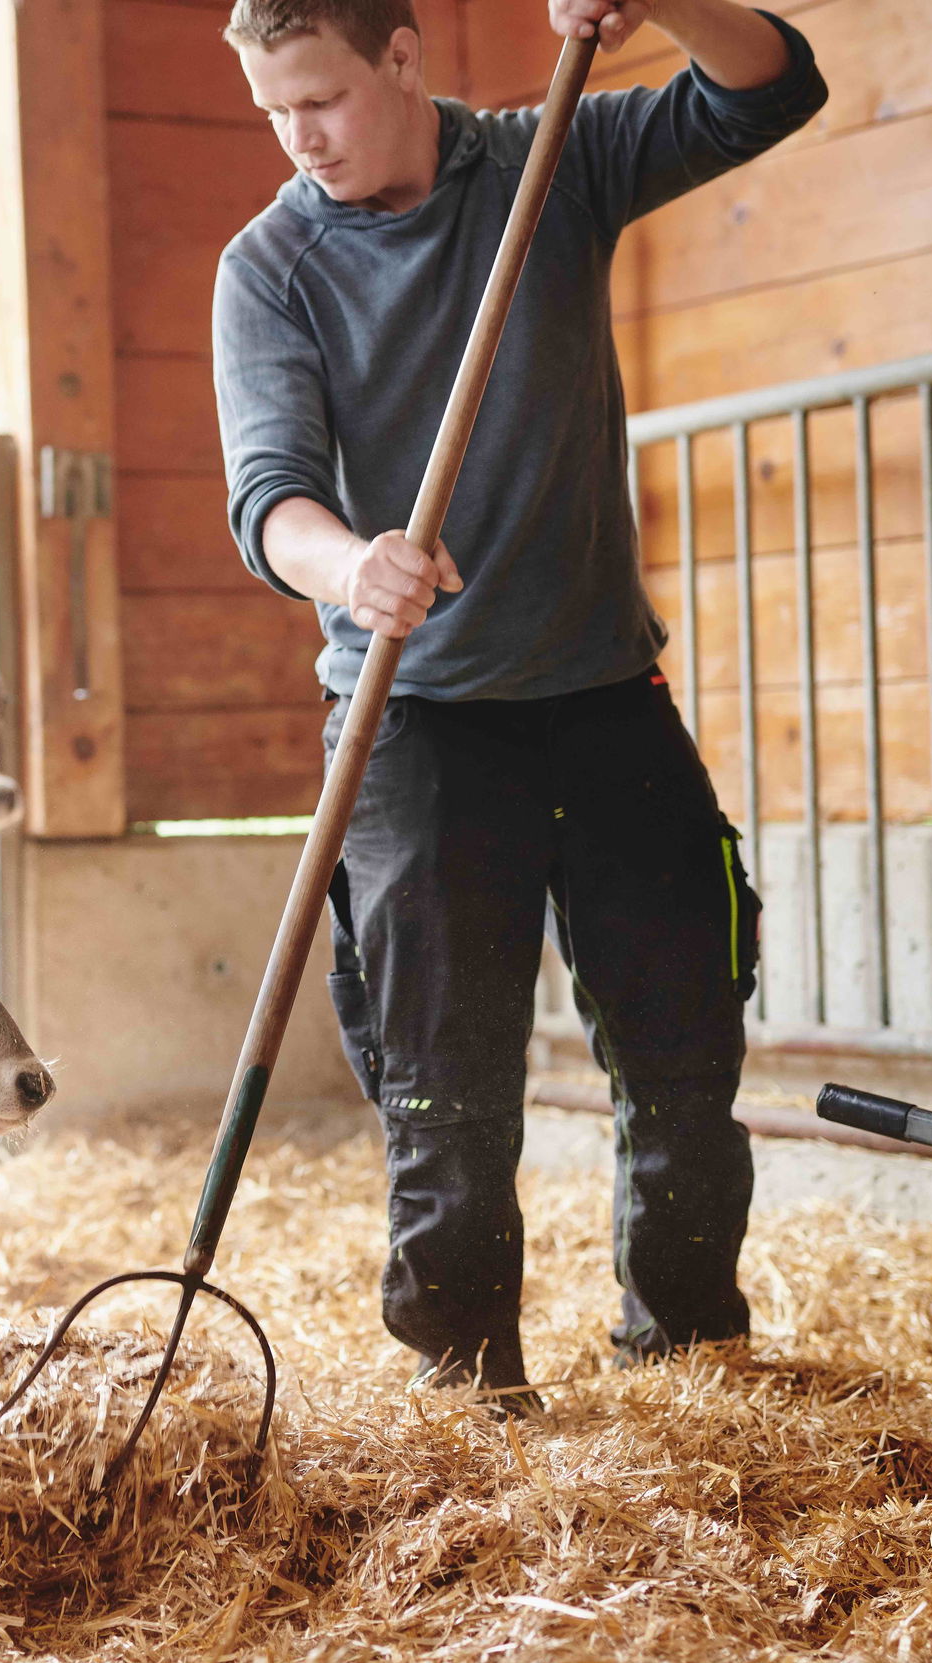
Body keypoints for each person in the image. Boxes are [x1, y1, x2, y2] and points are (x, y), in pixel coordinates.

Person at [212, 0, 825, 1402]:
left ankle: (688, 1350)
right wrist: (350, 563)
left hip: (605, 691)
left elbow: (767, 89)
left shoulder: (552, 162)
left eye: (322, 99)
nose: (300, 138)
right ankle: (470, 1378)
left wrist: (665, 2)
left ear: (405, 57)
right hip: (414, 721)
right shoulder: (274, 267)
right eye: (272, 111)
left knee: (683, 1040)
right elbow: (270, 496)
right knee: (446, 1087)